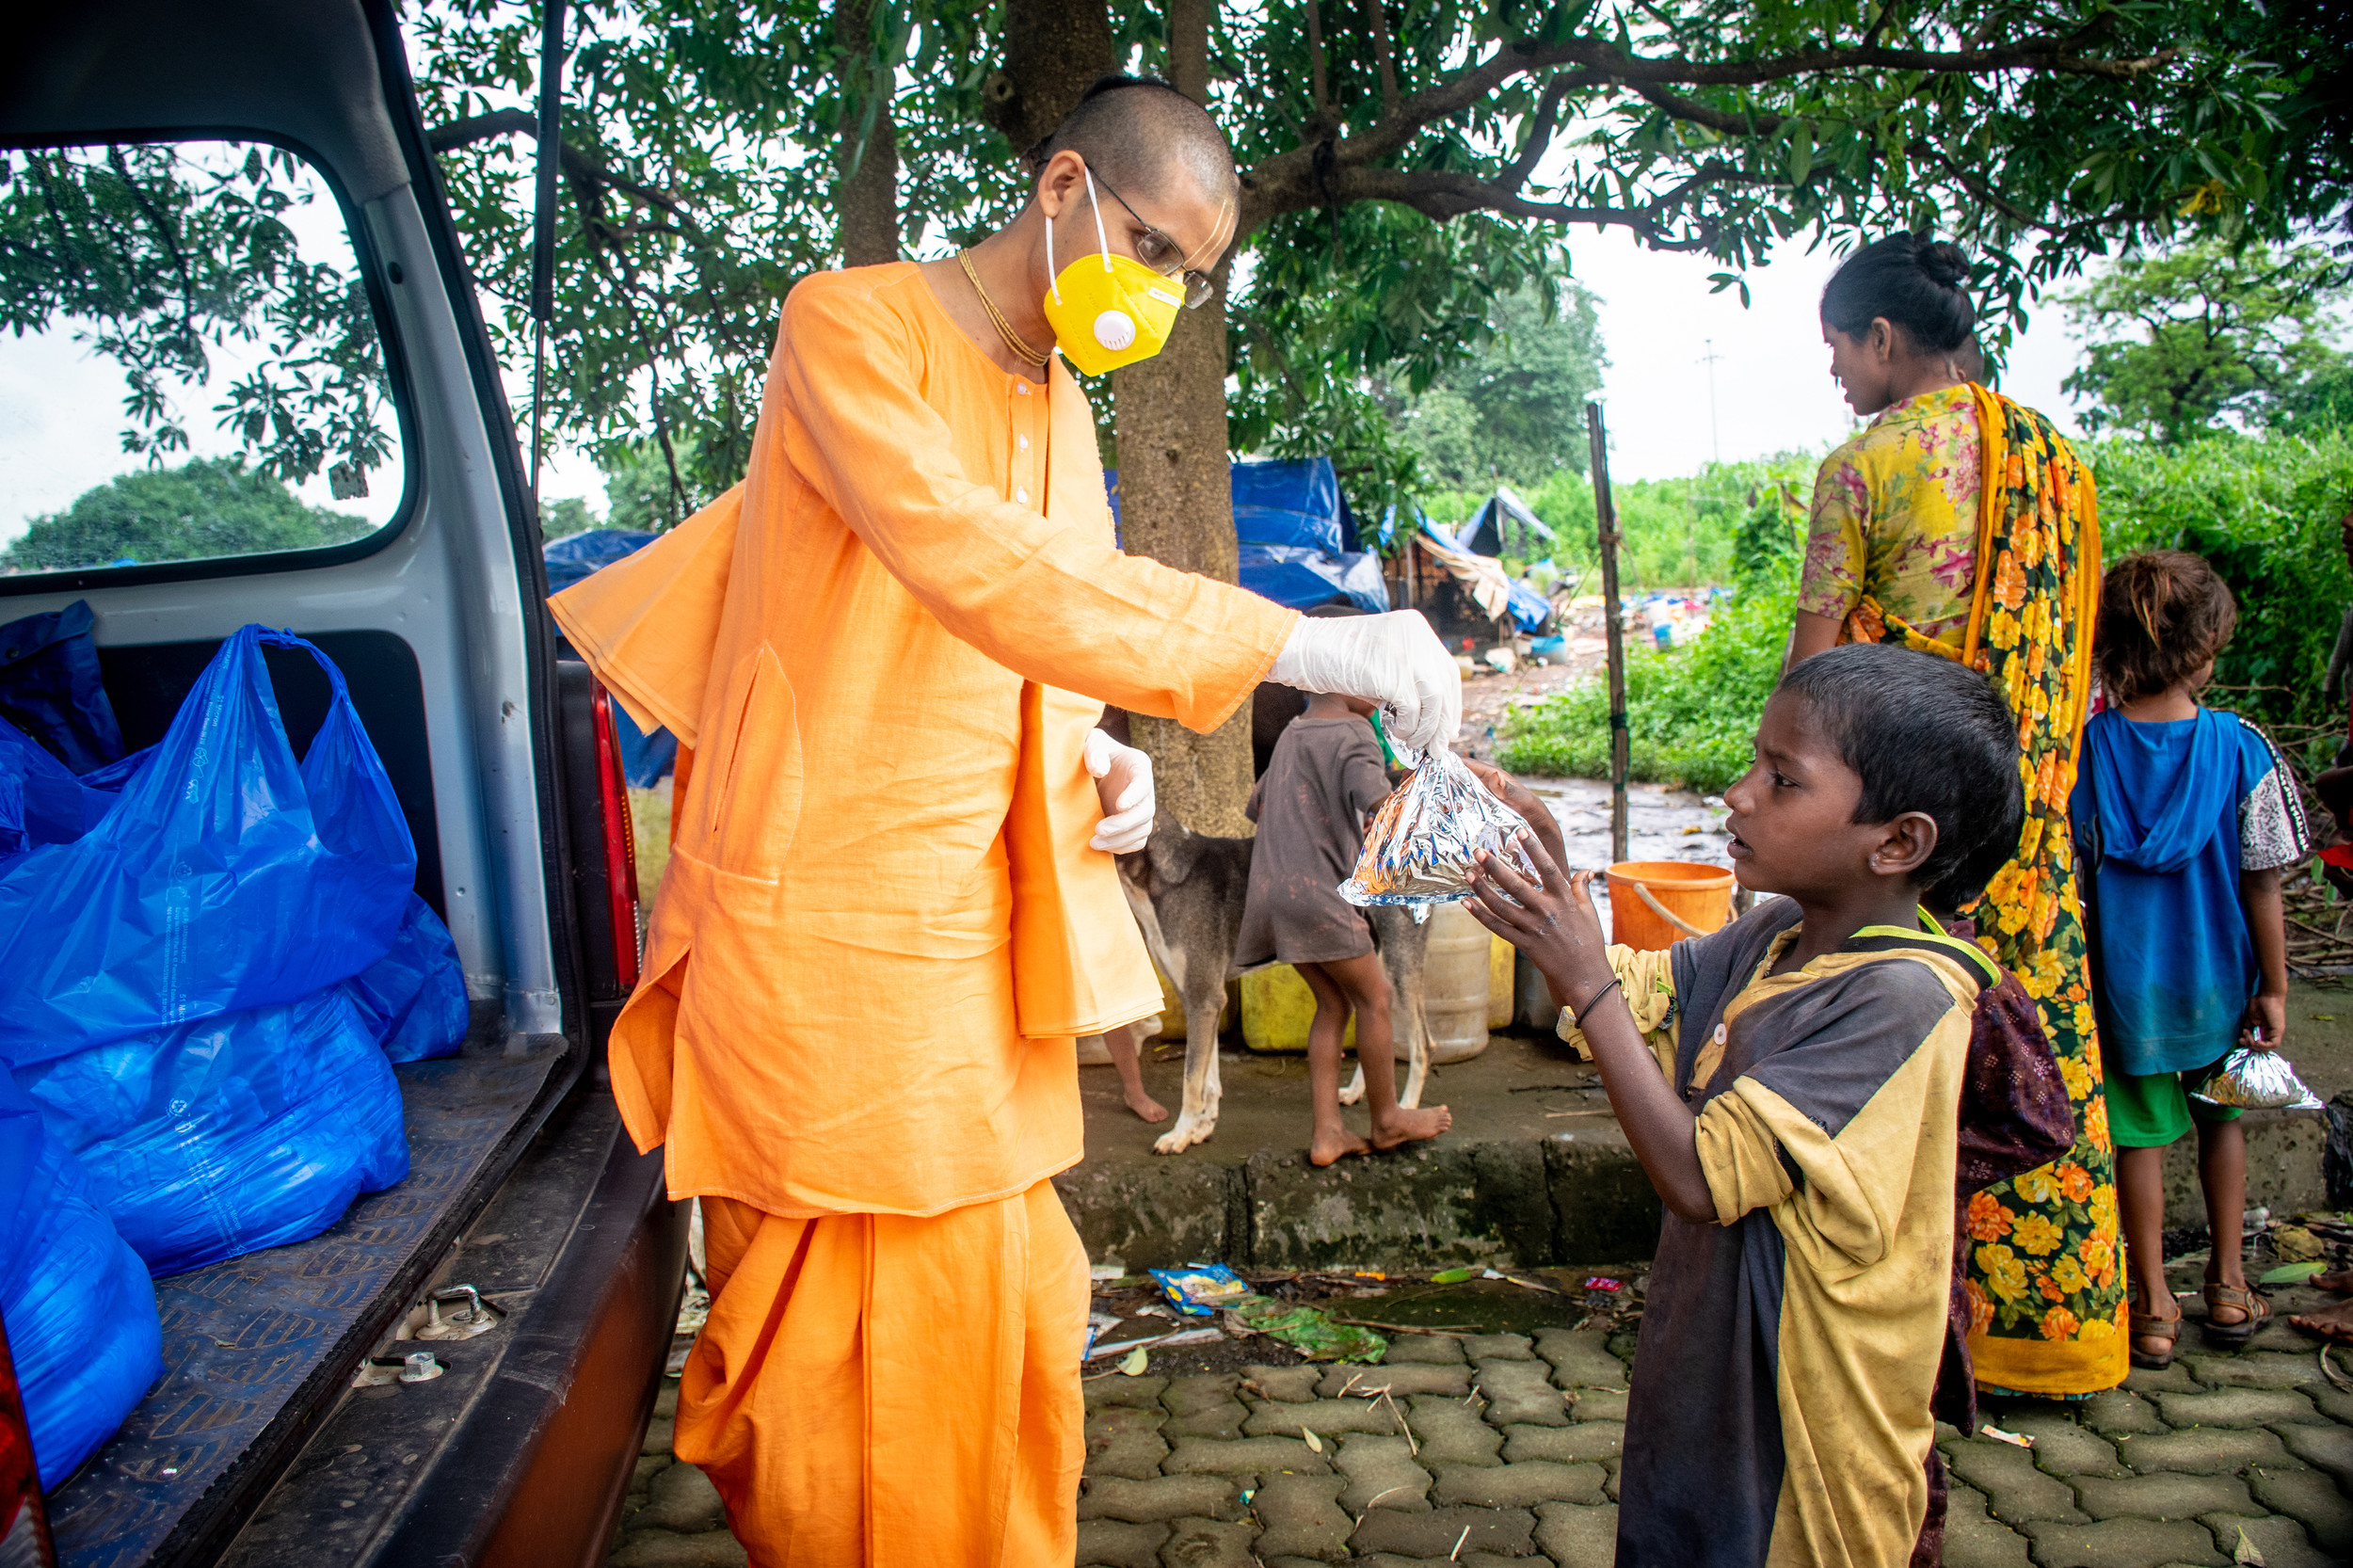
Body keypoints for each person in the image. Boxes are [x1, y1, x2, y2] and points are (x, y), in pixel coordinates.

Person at [547, 75, 1461, 1565]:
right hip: (826, 926)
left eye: (1192, 277)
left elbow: (1040, 642)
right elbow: (968, 562)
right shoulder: (846, 325)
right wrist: (1301, 643)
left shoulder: (1062, 410)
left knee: (1010, 1311)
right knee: (825, 1374)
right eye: (1152, 249)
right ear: (1061, 192)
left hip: (978, 935)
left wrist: (1107, 761)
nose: (1163, 293)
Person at [1465, 643, 2025, 1567]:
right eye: (1754, 763)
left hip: (1805, 1422)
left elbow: (1694, 1172)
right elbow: (1632, 998)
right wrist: (1552, 875)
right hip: (1715, 1359)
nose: (1737, 792)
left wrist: (1583, 979)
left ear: (1897, 841)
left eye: (1782, 779)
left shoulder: (1899, 1001)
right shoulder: (1775, 935)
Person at [1788, 232, 2116, 1400]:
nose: (1833, 372)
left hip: (1902, 830)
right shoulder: (2057, 463)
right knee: (2038, 1060)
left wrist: (1776, 805)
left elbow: (1815, 675)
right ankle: (2055, 1335)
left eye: (1836, 347)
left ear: (1881, 339)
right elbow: (2072, 653)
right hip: (2024, 819)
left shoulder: (1864, 463)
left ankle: (1895, 1323)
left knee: (1892, 1053)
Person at [2072, 552, 2310, 1368]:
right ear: (2207, 645)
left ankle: (2152, 1306)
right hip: (2220, 983)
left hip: (2125, 986)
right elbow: (2264, 882)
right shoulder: (2242, 748)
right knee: (2223, 1121)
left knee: (2138, 1138)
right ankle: (2229, 1283)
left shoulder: (2085, 755)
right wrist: (2273, 987)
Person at [1236, 692, 1451, 1165]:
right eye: (1372, 681)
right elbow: (1379, 803)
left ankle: (1328, 1134)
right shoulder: (1352, 732)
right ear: (1344, 679)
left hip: (1272, 896)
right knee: (1375, 999)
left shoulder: (1293, 732)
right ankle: (1388, 1119)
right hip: (1319, 898)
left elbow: (1258, 805)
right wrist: (1426, 780)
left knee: (1332, 1004)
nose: (1379, 694)